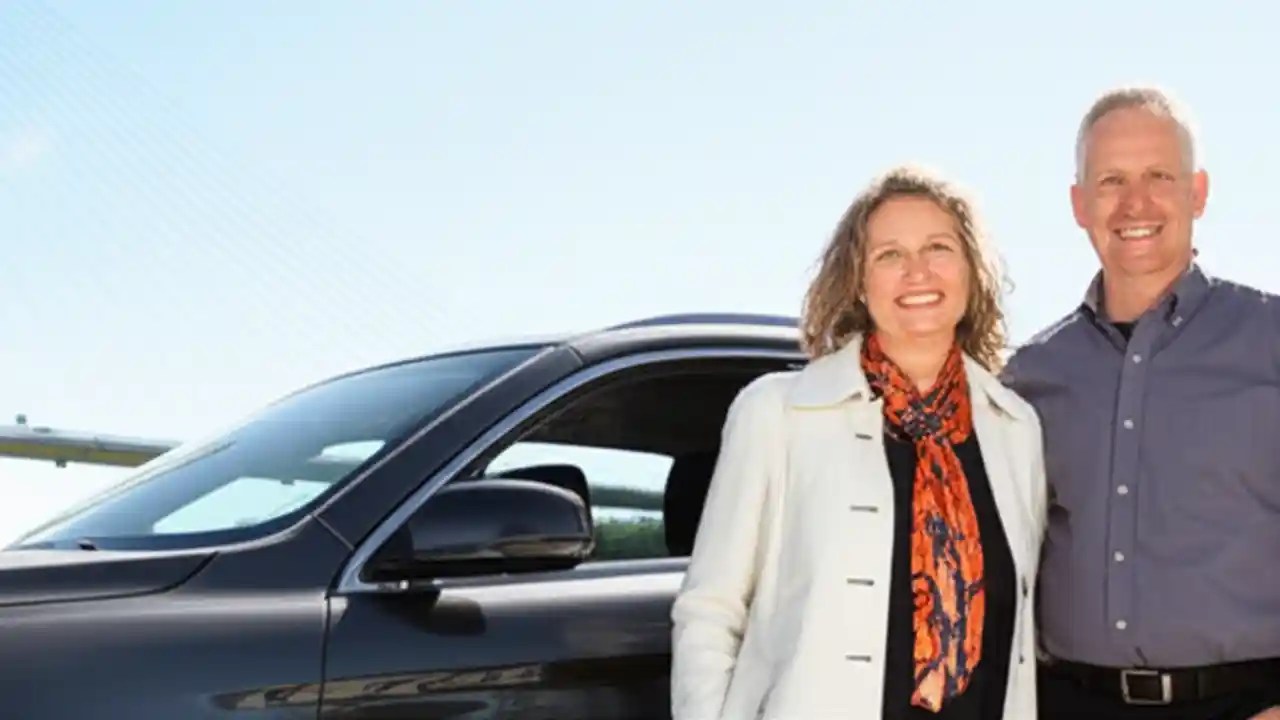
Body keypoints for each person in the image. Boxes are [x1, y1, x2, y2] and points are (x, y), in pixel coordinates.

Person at [670, 165, 1048, 719]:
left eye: (938, 248)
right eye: (889, 255)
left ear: (971, 272)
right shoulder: (778, 413)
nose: (917, 272)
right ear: (859, 282)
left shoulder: (1016, 428)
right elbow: (710, 611)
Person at [1001, 86, 1280, 720]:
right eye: (1111, 181)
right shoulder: (1030, 377)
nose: (1135, 203)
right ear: (1078, 204)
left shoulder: (1271, 343)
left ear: (1198, 191)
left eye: (1159, 175)